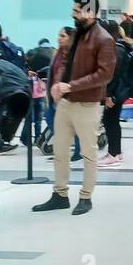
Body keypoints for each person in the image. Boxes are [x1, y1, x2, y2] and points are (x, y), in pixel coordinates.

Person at [33, 0, 115, 216]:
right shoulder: (76, 34)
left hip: (87, 104)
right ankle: (60, 194)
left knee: (89, 153)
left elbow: (104, 75)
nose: (73, 13)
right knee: (60, 150)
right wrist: (58, 83)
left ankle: (86, 196)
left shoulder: (103, 39)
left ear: (89, 10)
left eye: (77, 10)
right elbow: (66, 61)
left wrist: (71, 86)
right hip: (66, 104)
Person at [45, 27, 81, 163]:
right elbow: (52, 74)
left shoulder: (77, 55)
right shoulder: (57, 54)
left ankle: (78, 151)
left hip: (70, 96)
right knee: (51, 119)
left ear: (71, 38)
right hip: (55, 97)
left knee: (75, 125)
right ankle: (62, 150)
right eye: (59, 36)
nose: (59, 38)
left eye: (63, 36)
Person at [99, 19, 131, 167]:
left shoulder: (115, 49)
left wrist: (109, 95)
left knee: (110, 121)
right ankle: (116, 153)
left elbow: (113, 74)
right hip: (118, 91)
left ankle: (113, 154)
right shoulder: (118, 46)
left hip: (115, 93)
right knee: (111, 121)